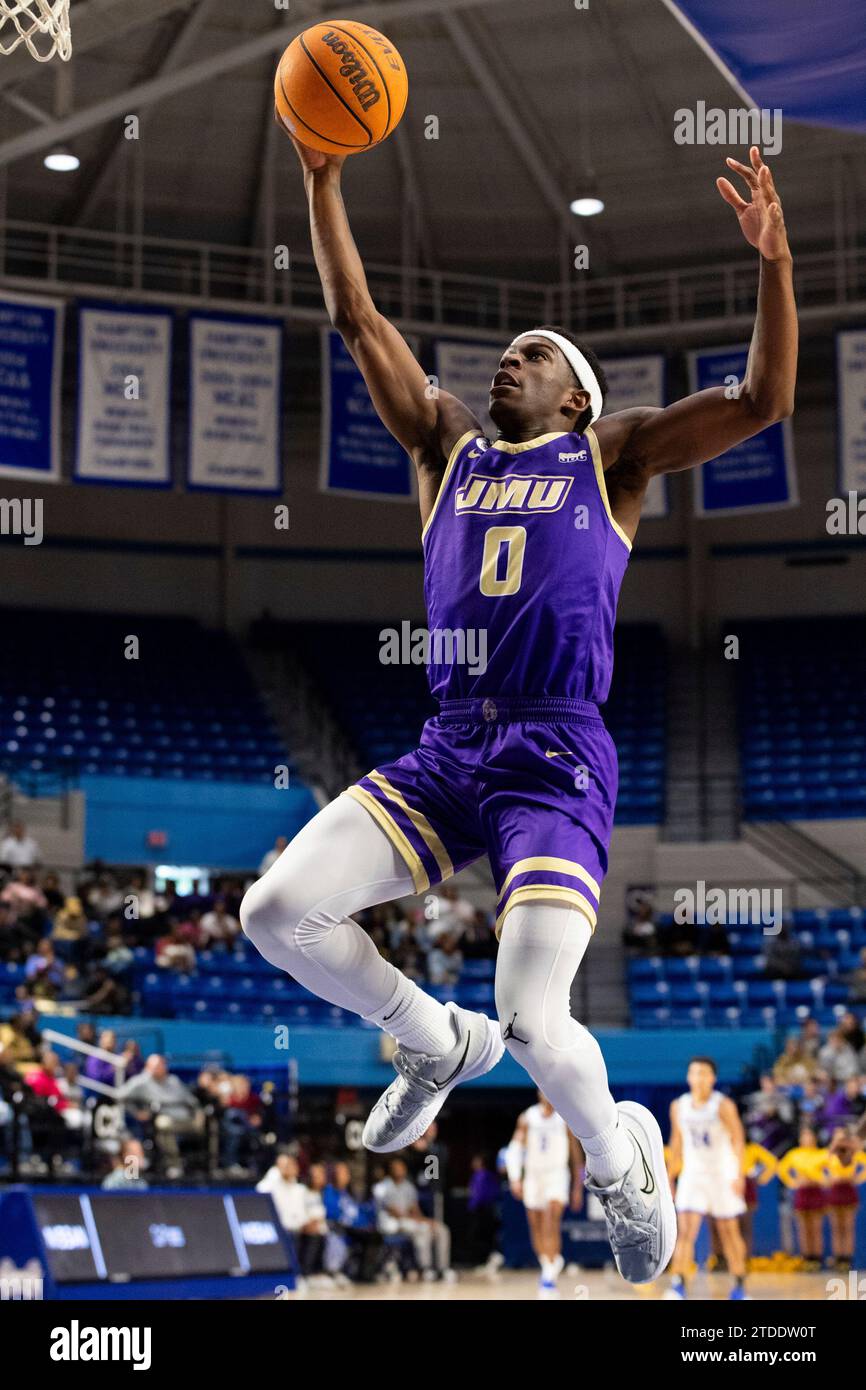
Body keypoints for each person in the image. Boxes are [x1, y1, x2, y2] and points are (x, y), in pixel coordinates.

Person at [239, 121, 796, 1288]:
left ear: (577, 398)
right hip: (451, 748)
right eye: (503, 351)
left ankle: (617, 1157)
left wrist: (772, 265)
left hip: (555, 756)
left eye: (533, 353)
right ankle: (431, 1039)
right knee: (274, 909)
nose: (507, 359)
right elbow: (357, 321)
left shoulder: (615, 458)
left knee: (537, 1017)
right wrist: (320, 174)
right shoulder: (446, 447)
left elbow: (759, 399)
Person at [665, 1057, 749, 1300]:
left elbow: (738, 1139)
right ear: (688, 1077)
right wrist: (671, 1176)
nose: (698, 1078)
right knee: (686, 1231)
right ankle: (678, 1284)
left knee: (729, 1232)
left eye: (703, 1073)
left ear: (712, 1078)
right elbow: (677, 1142)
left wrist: (739, 1175)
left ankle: (739, 1285)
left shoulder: (723, 1105)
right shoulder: (678, 1106)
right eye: (694, 1073)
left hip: (722, 1174)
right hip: (693, 1174)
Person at [505, 1090, 583, 1295]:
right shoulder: (528, 1118)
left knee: (551, 1221)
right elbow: (514, 1148)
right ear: (539, 1093)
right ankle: (549, 1264)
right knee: (536, 1226)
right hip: (533, 1176)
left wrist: (578, 1187)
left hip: (556, 1175)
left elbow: (576, 1158)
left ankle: (548, 1278)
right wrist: (515, 1178)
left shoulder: (565, 1118)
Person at [116, 1053, 204, 1179]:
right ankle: (174, 1165)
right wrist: (136, 1112)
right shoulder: (141, 1081)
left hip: (186, 1121)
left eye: (162, 1065)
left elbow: (193, 1103)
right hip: (163, 1121)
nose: (161, 1068)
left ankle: (214, 1167)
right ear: (148, 1067)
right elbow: (120, 1096)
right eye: (156, 1065)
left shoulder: (173, 1081)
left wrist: (199, 1116)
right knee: (163, 1124)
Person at [373, 1156, 453, 1282]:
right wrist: (420, 1222)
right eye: (396, 1168)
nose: (400, 1170)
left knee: (441, 1229)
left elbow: (414, 1210)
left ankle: (442, 1268)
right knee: (423, 1231)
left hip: (409, 1221)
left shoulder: (408, 1187)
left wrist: (427, 1221)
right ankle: (425, 1268)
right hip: (391, 1224)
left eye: (402, 1167)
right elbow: (395, 1213)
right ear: (390, 1170)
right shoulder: (382, 1187)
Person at [776, 1125, 828, 1270]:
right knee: (803, 1227)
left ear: (815, 1137)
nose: (806, 1139)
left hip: (816, 1192)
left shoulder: (822, 1154)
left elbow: (832, 1170)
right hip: (802, 1193)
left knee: (816, 1227)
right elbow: (781, 1168)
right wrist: (793, 1182)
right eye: (803, 1136)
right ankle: (807, 1258)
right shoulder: (795, 1154)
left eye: (809, 1135)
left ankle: (817, 1258)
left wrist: (819, 1179)